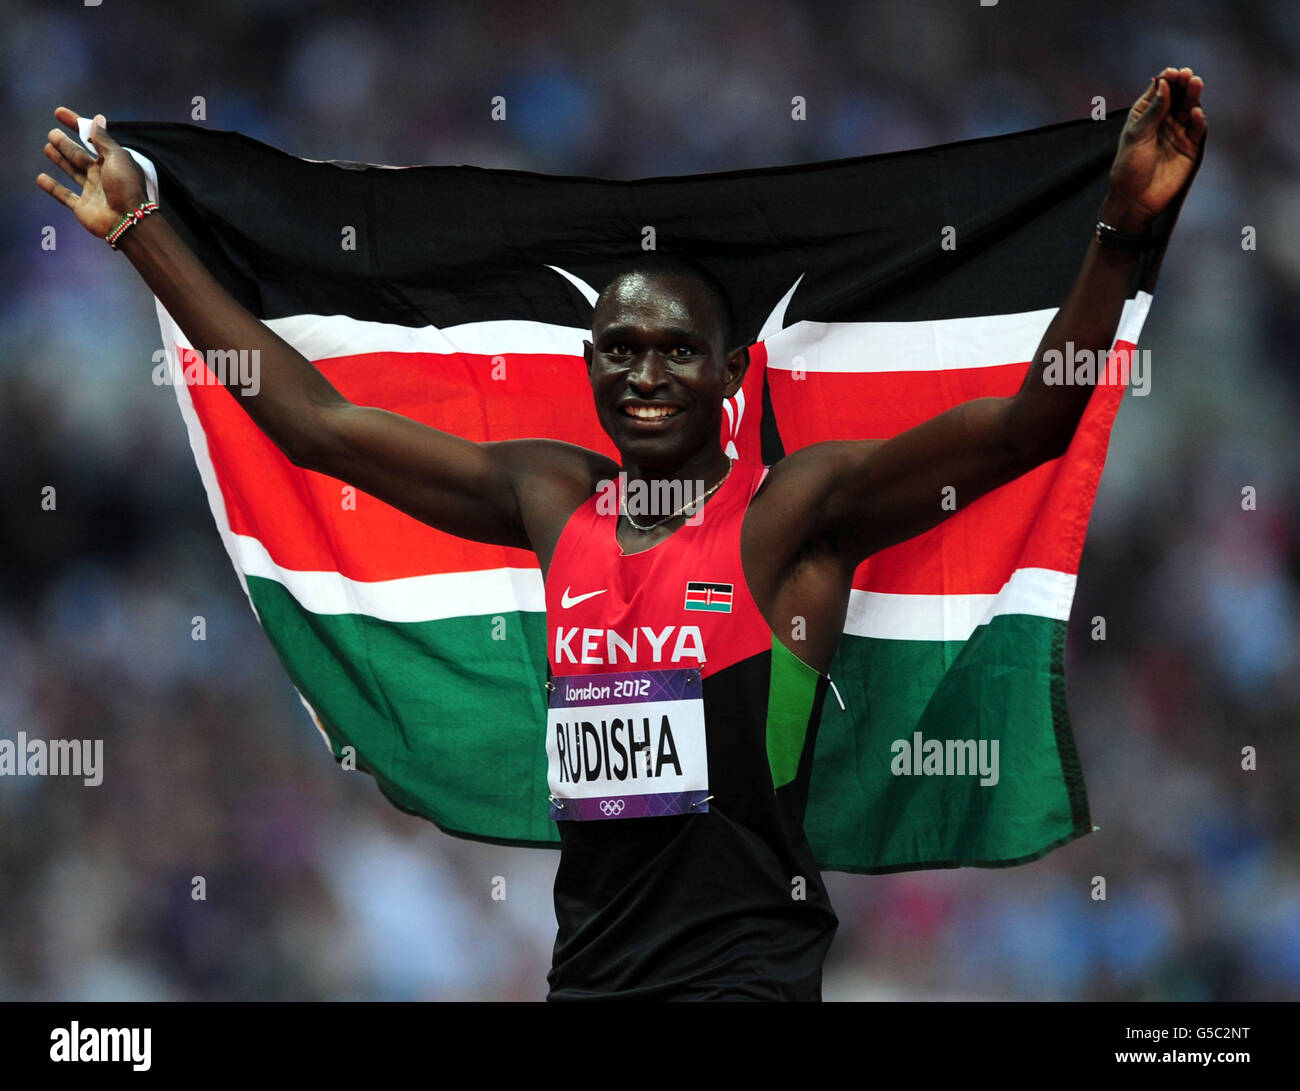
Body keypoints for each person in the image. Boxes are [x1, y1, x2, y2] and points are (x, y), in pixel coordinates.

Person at [37, 68, 1206, 1001]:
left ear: (730, 373)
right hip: (590, 975)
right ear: (589, 368)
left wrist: (1114, 230)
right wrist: (138, 225)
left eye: (676, 351)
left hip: (743, 976)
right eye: (620, 352)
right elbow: (318, 423)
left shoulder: (795, 511)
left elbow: (1031, 423)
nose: (645, 376)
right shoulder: (553, 500)